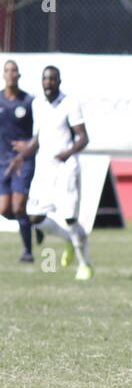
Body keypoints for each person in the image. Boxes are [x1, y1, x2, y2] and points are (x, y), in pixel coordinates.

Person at [5, 66, 92, 280]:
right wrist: (23, 154)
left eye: (52, 79)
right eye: (45, 79)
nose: (48, 83)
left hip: (66, 168)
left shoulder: (70, 103)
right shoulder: (38, 104)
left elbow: (83, 138)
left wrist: (67, 153)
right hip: (44, 168)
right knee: (35, 217)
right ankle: (70, 241)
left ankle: (84, 265)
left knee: (70, 218)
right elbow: (38, 138)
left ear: (59, 81)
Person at [0, 60, 36, 262]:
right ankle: (33, 225)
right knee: (4, 210)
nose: (11, 74)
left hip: (22, 162)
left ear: (19, 75)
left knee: (18, 206)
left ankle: (27, 252)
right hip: (2, 161)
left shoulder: (28, 101)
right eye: (7, 70)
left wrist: (29, 145)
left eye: (14, 70)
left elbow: (42, 130)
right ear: (3, 75)